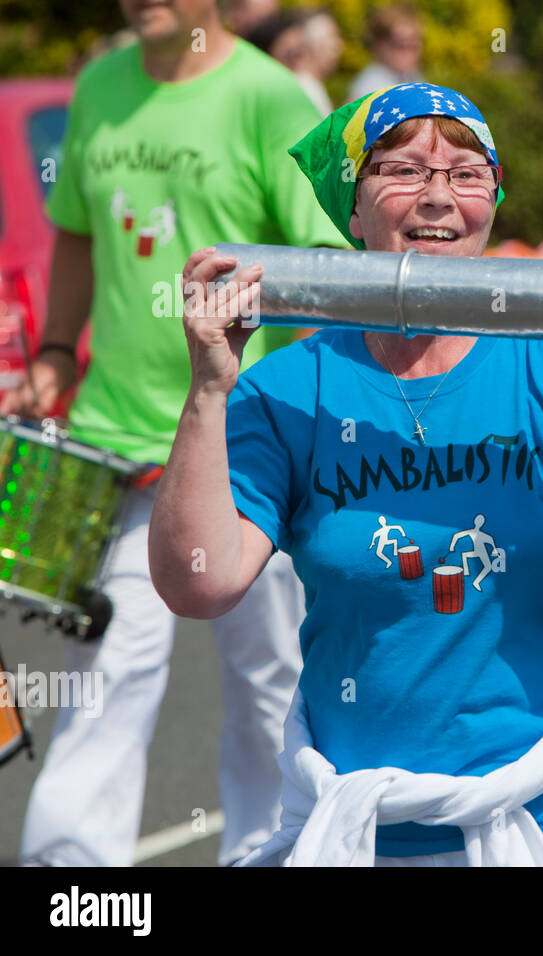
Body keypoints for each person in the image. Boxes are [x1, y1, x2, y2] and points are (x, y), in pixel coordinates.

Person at [149, 82, 543, 866]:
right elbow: (198, 584)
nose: (438, 196)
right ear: (352, 209)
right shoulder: (288, 390)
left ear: (492, 201)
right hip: (363, 819)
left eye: (466, 172)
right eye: (404, 171)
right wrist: (208, 389)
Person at [2, 0, 343, 867]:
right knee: (106, 677)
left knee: (273, 685)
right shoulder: (99, 87)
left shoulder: (272, 100)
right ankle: (69, 880)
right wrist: (51, 351)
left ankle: (275, 852)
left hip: (252, 452)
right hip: (121, 443)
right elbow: (76, 234)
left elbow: (327, 272)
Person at [346, 5, 425, 101]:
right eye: (401, 45)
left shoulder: (413, 76)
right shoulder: (369, 85)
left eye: (414, 45)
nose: (408, 54)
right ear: (380, 45)